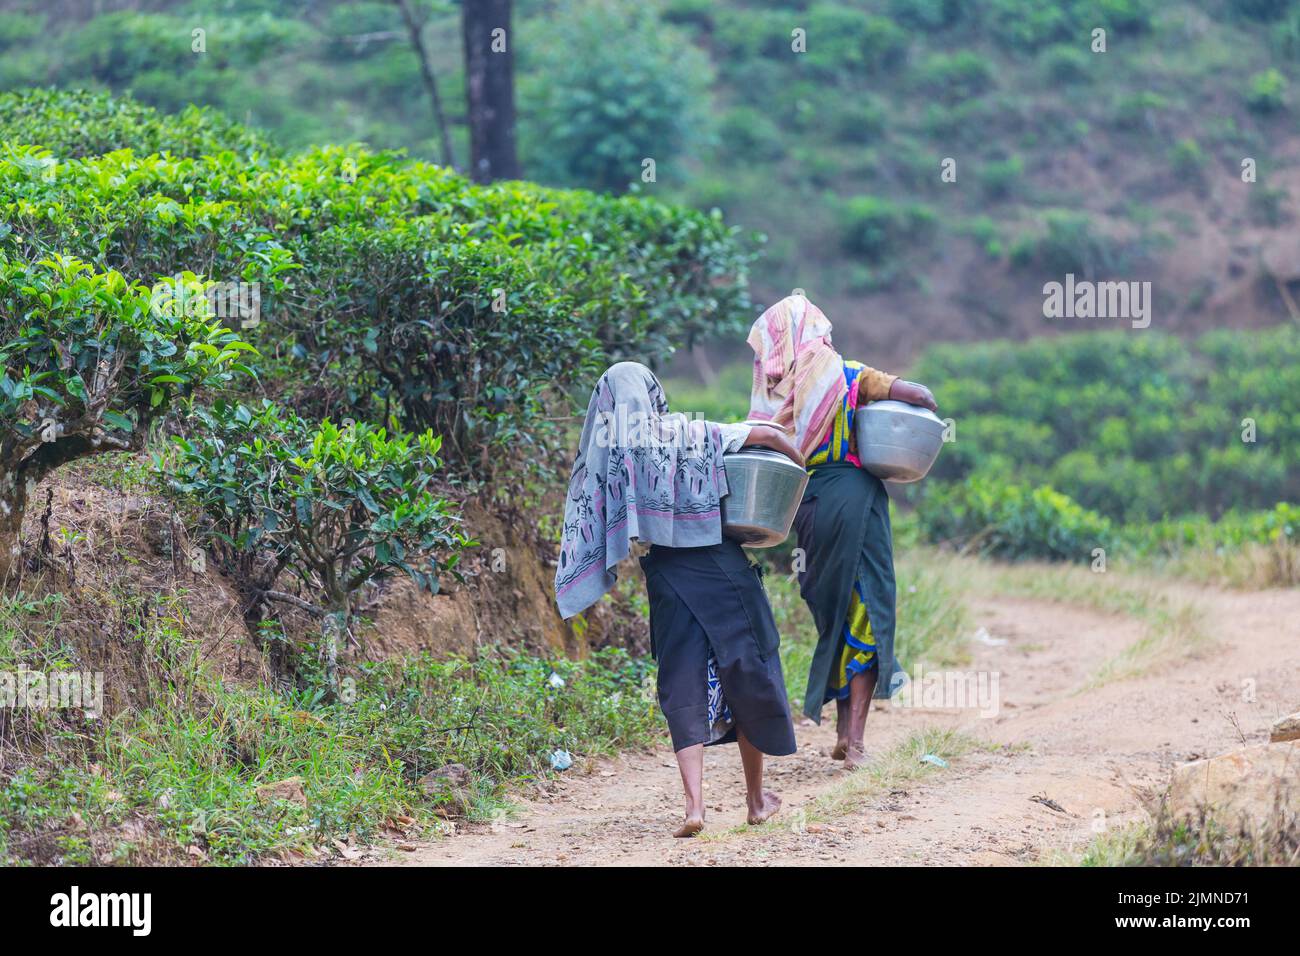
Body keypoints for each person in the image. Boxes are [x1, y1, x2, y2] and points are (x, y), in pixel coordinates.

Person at [555, 362, 804, 836]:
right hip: (720, 565)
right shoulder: (685, 433)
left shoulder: (609, 453)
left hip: (667, 575)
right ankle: (755, 800)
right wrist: (802, 475)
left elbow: (592, 515)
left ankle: (695, 808)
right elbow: (769, 439)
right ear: (651, 394)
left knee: (682, 680)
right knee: (748, 667)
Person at [747, 295, 937, 770]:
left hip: (806, 505)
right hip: (855, 499)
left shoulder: (771, 394)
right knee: (869, 610)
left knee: (833, 614)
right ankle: (854, 743)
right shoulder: (845, 374)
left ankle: (840, 730)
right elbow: (918, 396)